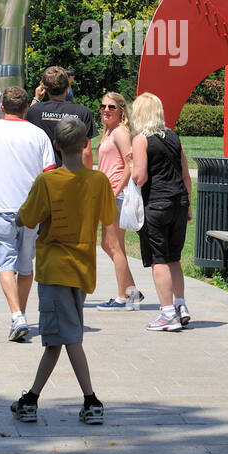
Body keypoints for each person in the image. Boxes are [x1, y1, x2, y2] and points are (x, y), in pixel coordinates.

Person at [12, 117, 117, 425]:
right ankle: (30, 399)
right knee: (56, 340)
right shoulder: (98, 181)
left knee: (69, 337)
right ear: (86, 144)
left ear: (56, 145)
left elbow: (28, 218)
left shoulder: (48, 182)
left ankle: (91, 400)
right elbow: (108, 215)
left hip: (54, 269)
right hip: (83, 270)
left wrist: (18, 219)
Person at [0, 85, 56, 342]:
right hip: (31, 209)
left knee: (5, 262)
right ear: (27, 108)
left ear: (2, 107)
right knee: (26, 265)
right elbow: (50, 172)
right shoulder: (39, 135)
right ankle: (21, 314)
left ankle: (17, 315)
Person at [130, 92, 193, 332]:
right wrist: (187, 204)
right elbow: (186, 174)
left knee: (159, 259)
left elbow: (140, 176)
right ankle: (180, 305)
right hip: (178, 202)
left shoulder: (141, 139)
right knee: (174, 257)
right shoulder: (174, 137)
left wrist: (131, 164)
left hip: (156, 204)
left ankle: (167, 314)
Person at [93, 91, 144, 310]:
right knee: (112, 245)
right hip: (107, 193)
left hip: (116, 194)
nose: (106, 110)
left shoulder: (121, 132)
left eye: (111, 107)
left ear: (121, 110)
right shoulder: (110, 131)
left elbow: (129, 164)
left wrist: (115, 192)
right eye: (103, 106)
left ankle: (123, 297)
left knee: (113, 245)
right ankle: (132, 292)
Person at [26, 66, 95, 167]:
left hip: (44, 176)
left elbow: (26, 125)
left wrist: (37, 98)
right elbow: (87, 152)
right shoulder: (82, 112)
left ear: (44, 88)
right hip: (73, 175)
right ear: (67, 87)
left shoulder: (34, 111)